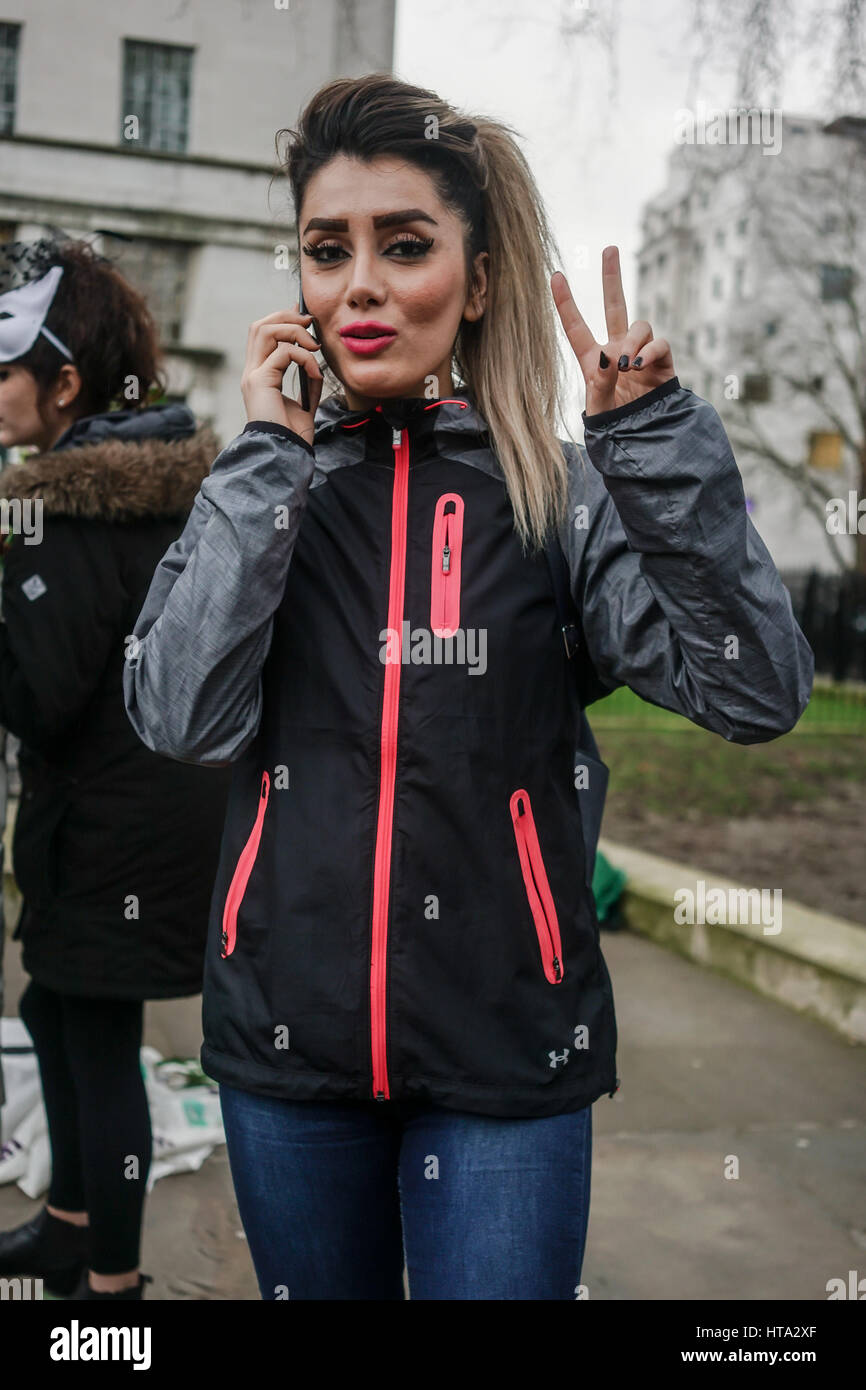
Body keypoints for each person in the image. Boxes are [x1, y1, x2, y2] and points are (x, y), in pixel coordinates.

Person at [123, 74, 814, 1301]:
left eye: (404, 245)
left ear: (478, 281)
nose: (361, 285)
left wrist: (650, 448)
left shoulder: (557, 495)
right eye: (327, 250)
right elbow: (176, 714)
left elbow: (754, 689)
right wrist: (267, 455)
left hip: (507, 1056)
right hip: (287, 1053)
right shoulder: (265, 489)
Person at [0, 237, 232, 1300]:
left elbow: (39, 702)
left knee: (95, 1045)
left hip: (108, 829)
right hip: (163, 814)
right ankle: (69, 1221)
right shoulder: (165, 486)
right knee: (59, 1013)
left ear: (63, 383)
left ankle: (111, 1289)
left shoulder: (61, 508)